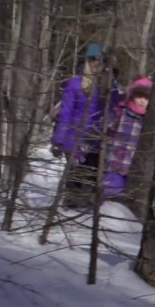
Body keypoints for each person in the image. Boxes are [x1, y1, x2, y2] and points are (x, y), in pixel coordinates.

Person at [51, 42, 122, 207]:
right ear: (87, 62)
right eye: (92, 60)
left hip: (97, 138)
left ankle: (87, 209)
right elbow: (66, 113)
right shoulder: (75, 84)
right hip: (75, 138)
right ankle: (70, 205)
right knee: (75, 174)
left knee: (92, 174)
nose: (95, 64)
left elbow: (115, 109)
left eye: (99, 60)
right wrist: (58, 139)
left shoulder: (109, 86)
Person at [101, 77, 151, 199]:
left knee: (128, 199)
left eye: (146, 98)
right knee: (110, 194)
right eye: (139, 97)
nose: (142, 101)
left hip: (133, 167)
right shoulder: (121, 111)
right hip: (114, 162)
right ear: (132, 96)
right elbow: (105, 127)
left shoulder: (148, 119)